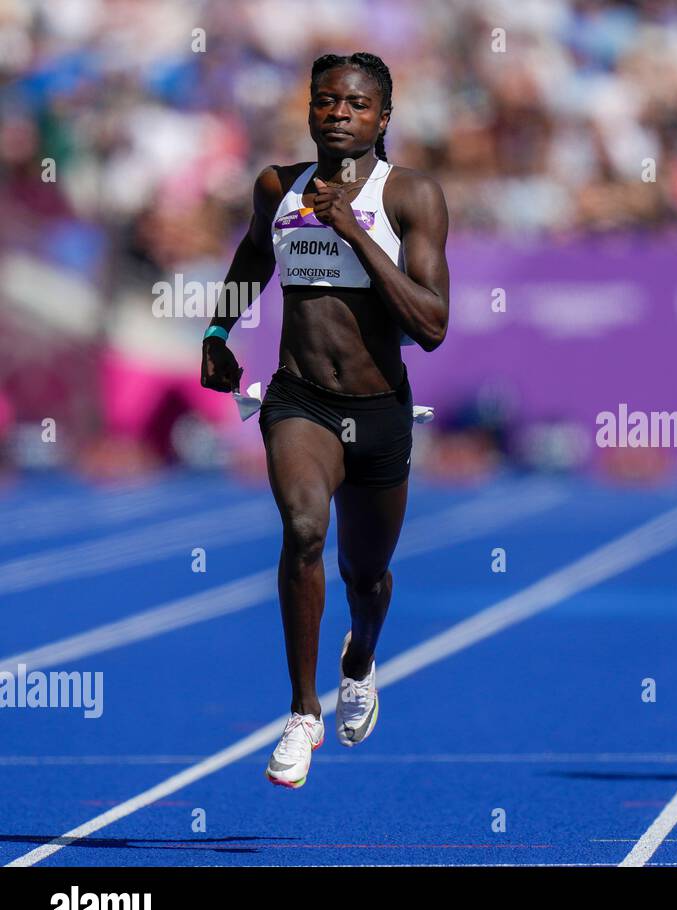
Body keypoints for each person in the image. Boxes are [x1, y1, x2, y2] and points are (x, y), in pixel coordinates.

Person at [200, 52, 450, 787]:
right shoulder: (278, 186)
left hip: (377, 410)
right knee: (304, 529)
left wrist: (355, 233)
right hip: (299, 399)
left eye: (357, 104)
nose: (339, 113)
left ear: (383, 118)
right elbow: (252, 256)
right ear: (310, 110)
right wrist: (218, 331)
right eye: (325, 101)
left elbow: (433, 324)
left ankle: (360, 658)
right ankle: (303, 710)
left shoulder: (411, 196)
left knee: (365, 574)